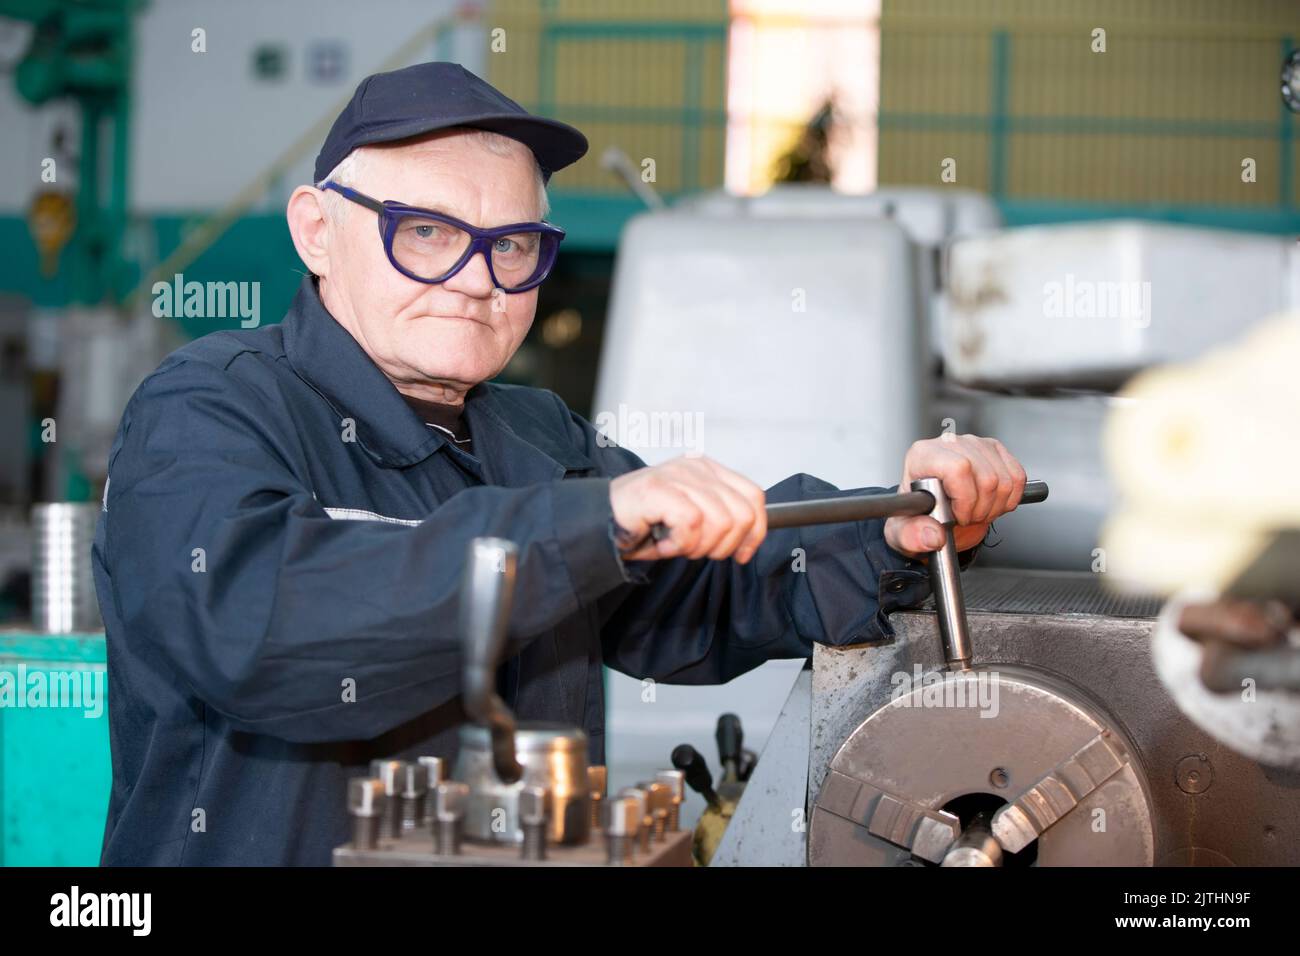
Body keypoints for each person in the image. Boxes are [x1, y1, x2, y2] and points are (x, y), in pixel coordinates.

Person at [93, 62, 1028, 865]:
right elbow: (265, 630)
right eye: (425, 232)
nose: (474, 280)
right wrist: (587, 525)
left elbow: (699, 593)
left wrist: (887, 531)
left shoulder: (536, 437)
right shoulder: (209, 410)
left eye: (513, 247)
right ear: (315, 231)